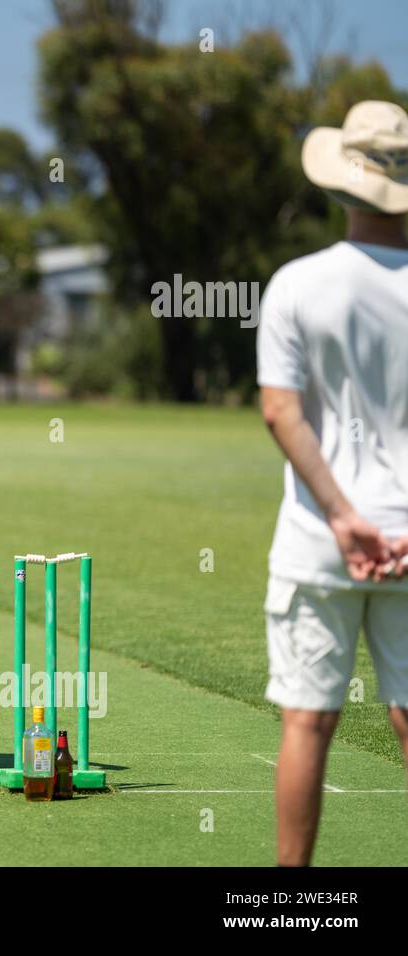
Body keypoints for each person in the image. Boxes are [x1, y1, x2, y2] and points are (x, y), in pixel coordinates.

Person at [256, 100, 408, 866]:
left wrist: (345, 516)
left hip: (320, 539)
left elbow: (280, 412)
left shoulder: (296, 283)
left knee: (308, 722)